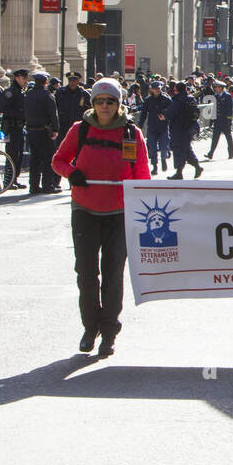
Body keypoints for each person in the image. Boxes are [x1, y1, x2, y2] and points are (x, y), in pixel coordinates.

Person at [51, 78, 151, 355]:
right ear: (92, 103)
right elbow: (58, 160)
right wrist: (72, 173)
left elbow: (142, 174)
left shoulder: (131, 133)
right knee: (85, 272)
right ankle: (89, 327)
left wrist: (143, 207)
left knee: (112, 273)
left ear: (118, 104)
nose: (104, 106)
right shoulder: (79, 130)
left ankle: (109, 330)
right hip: (85, 210)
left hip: (119, 213)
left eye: (110, 101)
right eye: (99, 101)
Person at [24, 71, 60, 194]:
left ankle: (33, 186)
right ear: (45, 82)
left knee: (34, 159)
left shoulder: (28, 94)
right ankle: (47, 185)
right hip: (44, 131)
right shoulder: (47, 95)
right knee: (47, 159)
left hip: (31, 131)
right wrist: (55, 129)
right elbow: (53, 114)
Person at [165, 81, 203, 179]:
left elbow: (171, 113)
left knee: (179, 149)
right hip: (190, 127)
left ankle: (180, 171)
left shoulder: (177, 100)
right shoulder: (191, 99)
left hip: (179, 128)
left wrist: (165, 115)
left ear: (176, 90)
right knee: (185, 149)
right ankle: (194, 167)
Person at [0, 69, 28, 190]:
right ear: (17, 78)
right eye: (24, 78)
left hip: (19, 127)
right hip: (11, 127)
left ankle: (14, 179)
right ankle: (8, 181)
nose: (26, 81)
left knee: (18, 155)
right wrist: (19, 114)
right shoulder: (10, 92)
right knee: (11, 155)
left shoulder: (21, 92)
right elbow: (6, 109)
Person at [138, 80, 172, 174]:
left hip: (163, 127)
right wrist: (140, 126)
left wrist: (166, 117)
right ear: (151, 89)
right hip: (152, 127)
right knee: (152, 148)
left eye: (159, 88)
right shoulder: (148, 100)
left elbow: (172, 111)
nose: (157, 90)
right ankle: (154, 166)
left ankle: (164, 159)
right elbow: (143, 113)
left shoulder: (166, 99)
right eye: (155, 88)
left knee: (164, 146)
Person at [205, 82, 233, 159]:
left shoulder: (227, 96)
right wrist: (212, 120)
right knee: (215, 138)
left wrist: (229, 120)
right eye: (215, 87)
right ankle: (210, 153)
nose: (215, 89)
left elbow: (229, 109)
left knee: (228, 138)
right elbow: (214, 109)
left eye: (217, 87)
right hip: (217, 120)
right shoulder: (215, 97)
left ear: (221, 88)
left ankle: (231, 154)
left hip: (225, 120)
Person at [55, 72, 91, 138]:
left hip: (79, 127)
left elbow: (89, 111)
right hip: (63, 128)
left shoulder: (84, 94)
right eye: (70, 81)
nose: (72, 83)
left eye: (74, 81)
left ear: (78, 81)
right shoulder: (60, 93)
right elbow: (55, 109)